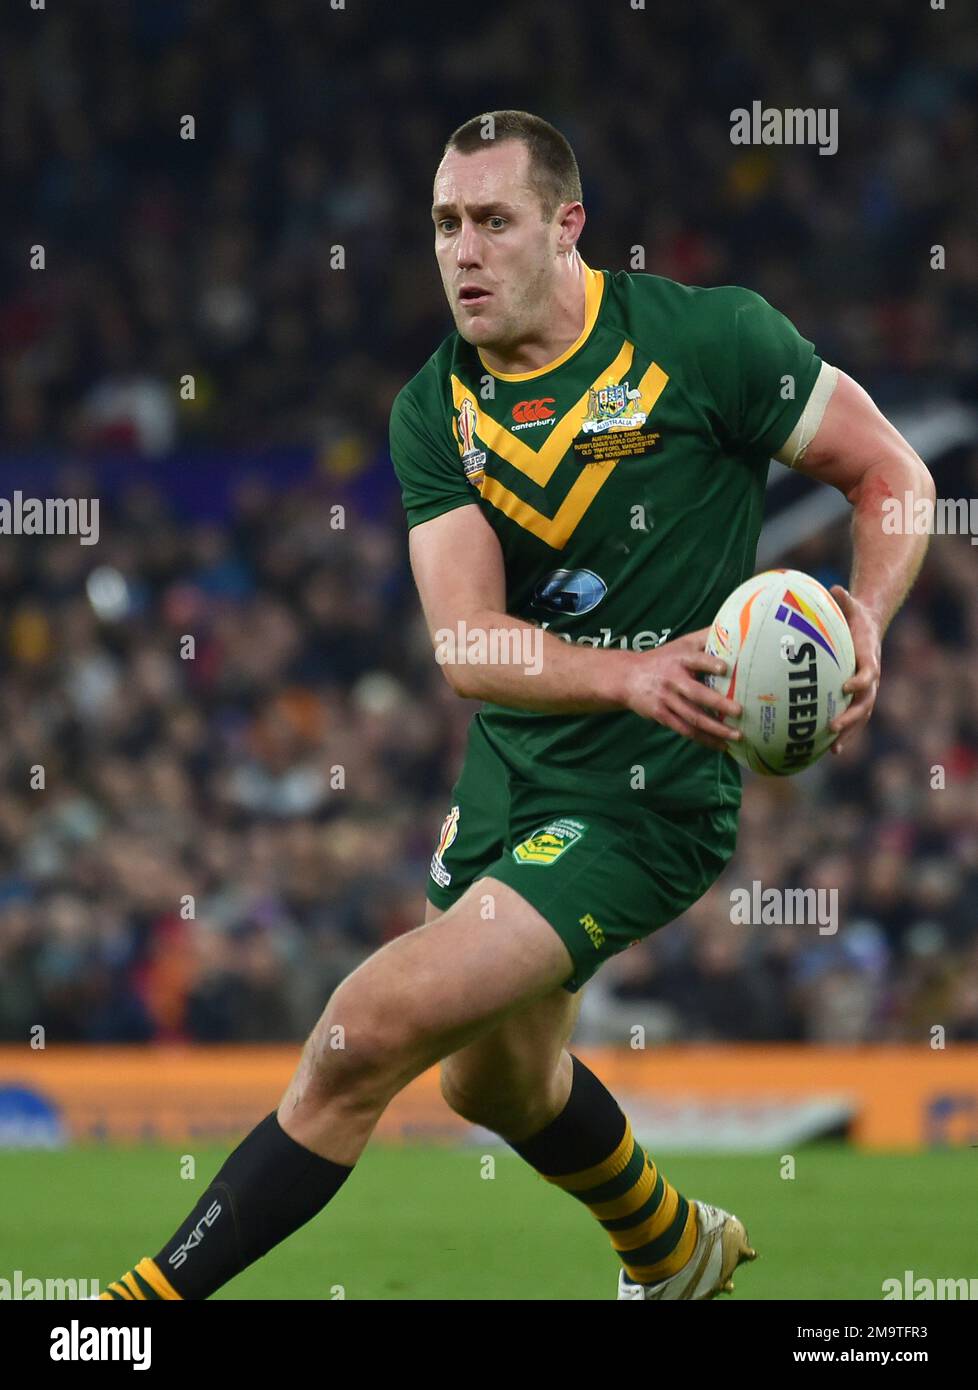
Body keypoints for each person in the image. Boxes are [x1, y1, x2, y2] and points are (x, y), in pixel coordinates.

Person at [101, 110, 934, 1302]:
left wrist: (867, 612)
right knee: (492, 1088)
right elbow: (465, 641)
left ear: (566, 225)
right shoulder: (433, 411)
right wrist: (628, 669)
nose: (464, 251)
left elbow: (893, 472)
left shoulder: (711, 342)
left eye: (493, 220)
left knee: (363, 1032)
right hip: (508, 779)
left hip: (647, 799)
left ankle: (123, 1318)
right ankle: (671, 1246)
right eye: (445, 224)